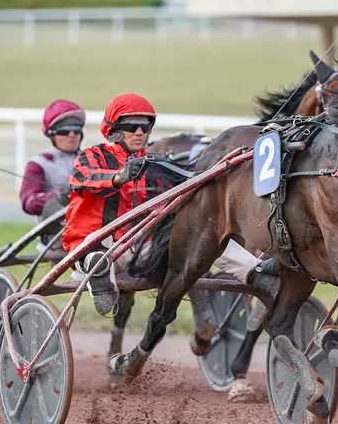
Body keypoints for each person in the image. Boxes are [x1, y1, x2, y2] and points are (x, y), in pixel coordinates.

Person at [62, 92, 278, 317]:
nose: (139, 132)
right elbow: (83, 178)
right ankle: (99, 272)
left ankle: (257, 272)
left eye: (145, 126)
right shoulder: (92, 156)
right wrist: (120, 177)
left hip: (140, 251)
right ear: (113, 128)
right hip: (96, 246)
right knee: (96, 244)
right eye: (131, 125)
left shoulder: (154, 164)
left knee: (202, 234)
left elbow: (186, 187)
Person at [19, 99, 85, 259]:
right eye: (64, 131)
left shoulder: (91, 159)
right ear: (51, 134)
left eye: (76, 130)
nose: (71, 135)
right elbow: (28, 202)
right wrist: (60, 196)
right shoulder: (38, 164)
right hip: (56, 235)